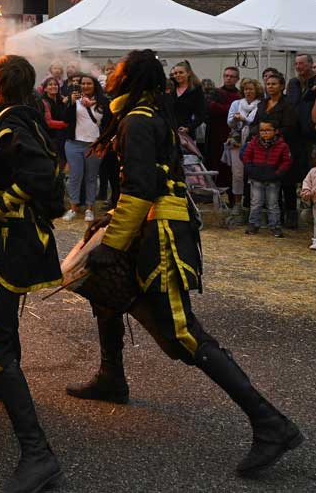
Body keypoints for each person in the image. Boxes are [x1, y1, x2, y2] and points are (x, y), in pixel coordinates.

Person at [67, 49, 302, 479]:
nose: (110, 74)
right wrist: (111, 225)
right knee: (104, 292)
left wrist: (113, 243)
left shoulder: (138, 118)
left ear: (131, 77)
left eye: (117, 69)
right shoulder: (141, 112)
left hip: (161, 234)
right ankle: (111, 376)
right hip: (147, 224)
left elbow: (142, 188)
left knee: (181, 331)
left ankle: (271, 423)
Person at [0, 55, 66, 492]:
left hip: (16, 240)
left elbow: (42, 173)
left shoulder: (8, 121)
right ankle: (1, 382)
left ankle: (38, 455)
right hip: (12, 238)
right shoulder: (21, 115)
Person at [61, 74, 106, 222]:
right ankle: (73, 207)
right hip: (74, 144)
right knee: (75, 176)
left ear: (94, 86)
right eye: (83, 84)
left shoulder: (103, 102)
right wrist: (72, 104)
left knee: (91, 177)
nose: (86, 86)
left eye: (89, 83)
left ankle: (89, 208)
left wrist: (102, 142)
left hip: (93, 145)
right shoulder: (74, 100)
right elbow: (65, 119)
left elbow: (107, 124)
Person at [255, 72, 299, 228]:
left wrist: (271, 133)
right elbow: (256, 123)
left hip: (283, 146)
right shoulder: (262, 103)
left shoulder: (288, 104)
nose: (270, 86)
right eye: (268, 84)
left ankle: (292, 217)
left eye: (274, 84)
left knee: (287, 183)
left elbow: (290, 127)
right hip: (264, 148)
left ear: (281, 86)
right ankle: (276, 218)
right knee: (272, 182)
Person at [242, 120, 293, 236]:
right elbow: (246, 157)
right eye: (262, 130)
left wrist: (278, 173)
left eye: (268, 130)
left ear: (276, 131)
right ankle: (253, 225)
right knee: (256, 202)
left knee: (273, 204)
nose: (264, 133)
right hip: (256, 178)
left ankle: (275, 226)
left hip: (273, 179)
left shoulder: (282, 145)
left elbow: (287, 161)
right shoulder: (254, 143)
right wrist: (251, 170)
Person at [225, 78, 262, 218]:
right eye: (246, 89)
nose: (248, 91)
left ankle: (253, 206)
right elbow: (230, 122)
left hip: (254, 142)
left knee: (253, 174)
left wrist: (244, 119)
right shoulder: (236, 103)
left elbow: (257, 121)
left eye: (251, 89)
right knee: (237, 174)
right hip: (237, 141)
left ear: (257, 90)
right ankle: (237, 205)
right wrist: (236, 119)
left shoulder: (261, 104)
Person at [207, 67, 242, 193]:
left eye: (232, 76)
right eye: (226, 75)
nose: (228, 78)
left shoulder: (240, 95)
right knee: (216, 163)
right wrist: (230, 109)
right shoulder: (216, 92)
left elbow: (239, 113)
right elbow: (211, 108)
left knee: (231, 167)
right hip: (215, 134)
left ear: (237, 79)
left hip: (232, 135)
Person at [169, 60, 207, 137]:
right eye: (175, 73)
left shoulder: (196, 90)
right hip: (169, 131)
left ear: (188, 73)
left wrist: (188, 128)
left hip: (186, 133)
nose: (178, 75)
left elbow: (201, 114)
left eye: (181, 72)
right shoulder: (171, 88)